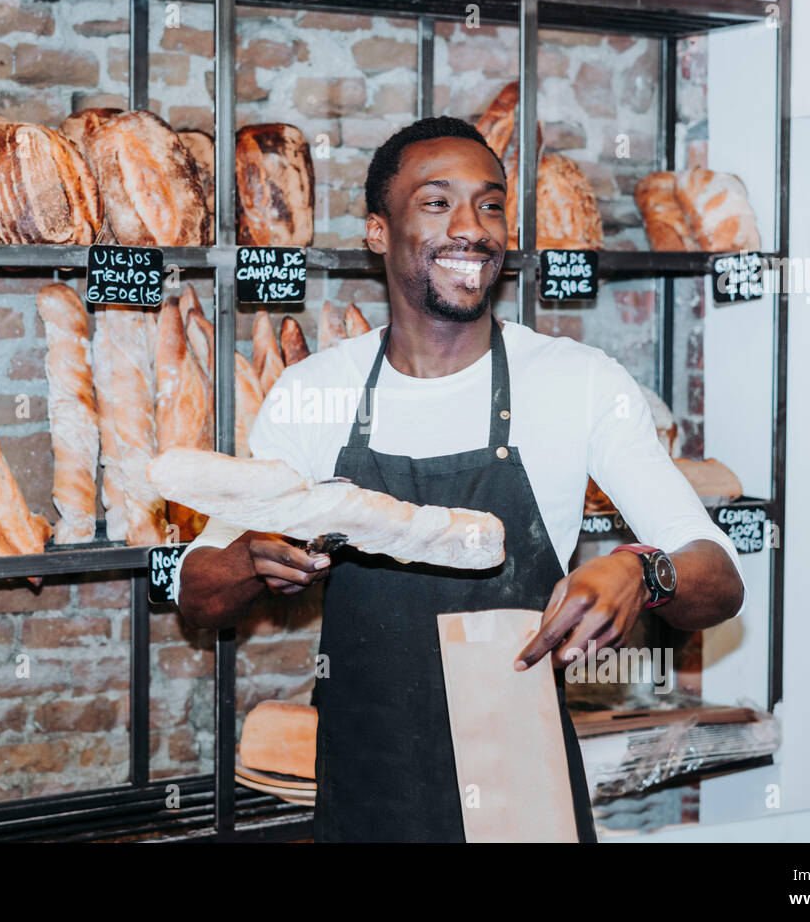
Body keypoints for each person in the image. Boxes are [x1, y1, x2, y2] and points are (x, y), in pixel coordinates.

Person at [175, 116, 746, 842]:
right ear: (378, 231)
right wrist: (253, 557)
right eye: (437, 202)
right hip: (365, 794)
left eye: (490, 202)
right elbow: (199, 591)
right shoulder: (314, 393)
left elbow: (720, 578)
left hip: (524, 794)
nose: (471, 227)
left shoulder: (575, 382)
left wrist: (646, 571)